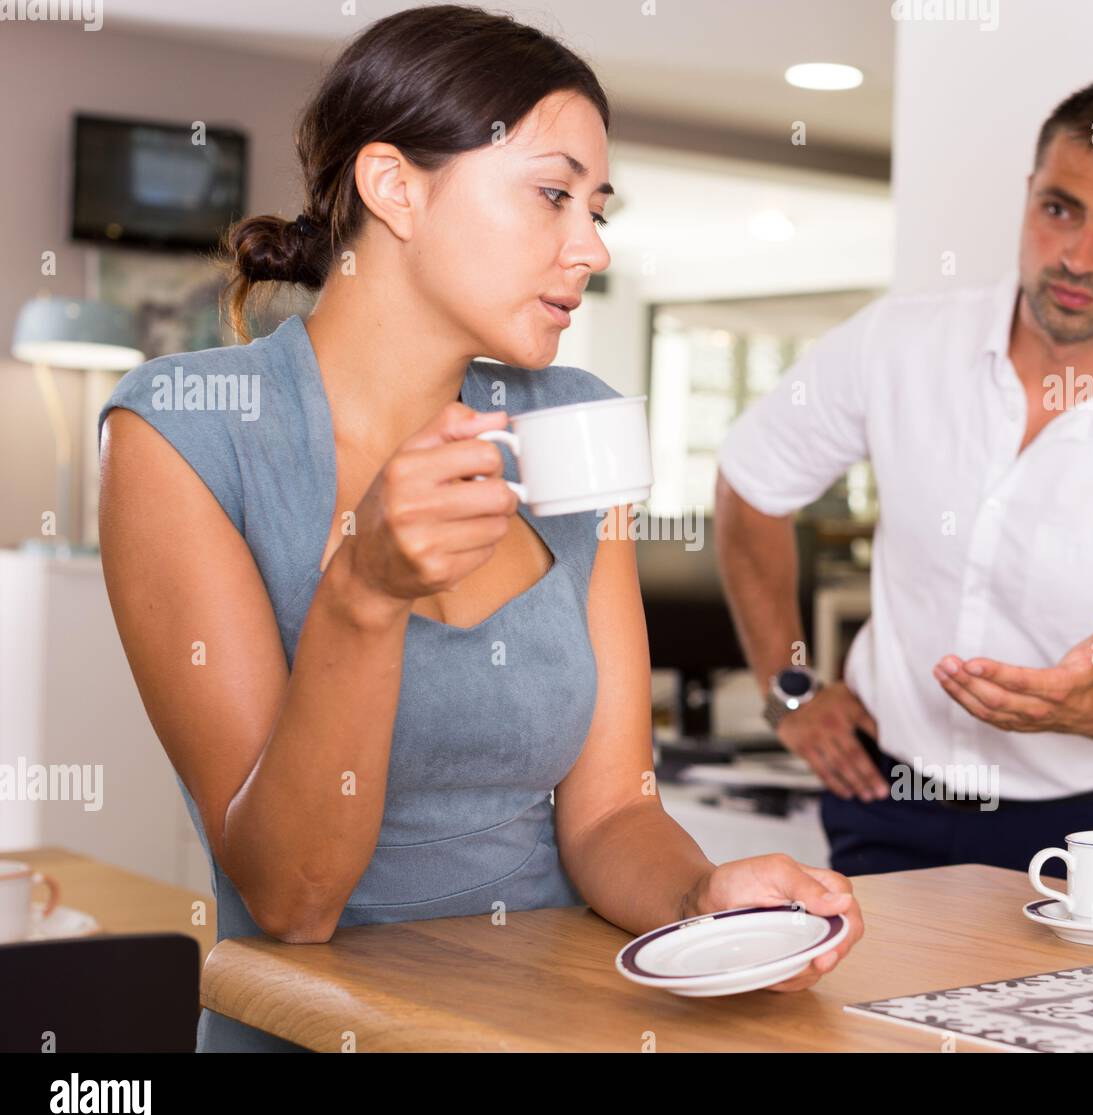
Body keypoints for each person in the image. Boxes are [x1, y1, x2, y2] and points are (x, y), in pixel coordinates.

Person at [97, 4, 862, 1052]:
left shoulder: (575, 420)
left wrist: (703, 895)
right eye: (552, 195)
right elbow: (290, 899)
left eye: (598, 208)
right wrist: (363, 595)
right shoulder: (183, 431)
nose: (589, 246)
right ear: (393, 186)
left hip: (556, 1025)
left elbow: (607, 817)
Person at [715, 77, 1093, 879]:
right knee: (854, 1007)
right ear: (1029, 197)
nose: (1078, 256)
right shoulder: (898, 344)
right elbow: (751, 483)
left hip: (1085, 830)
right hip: (883, 794)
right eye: (1060, 210)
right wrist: (790, 691)